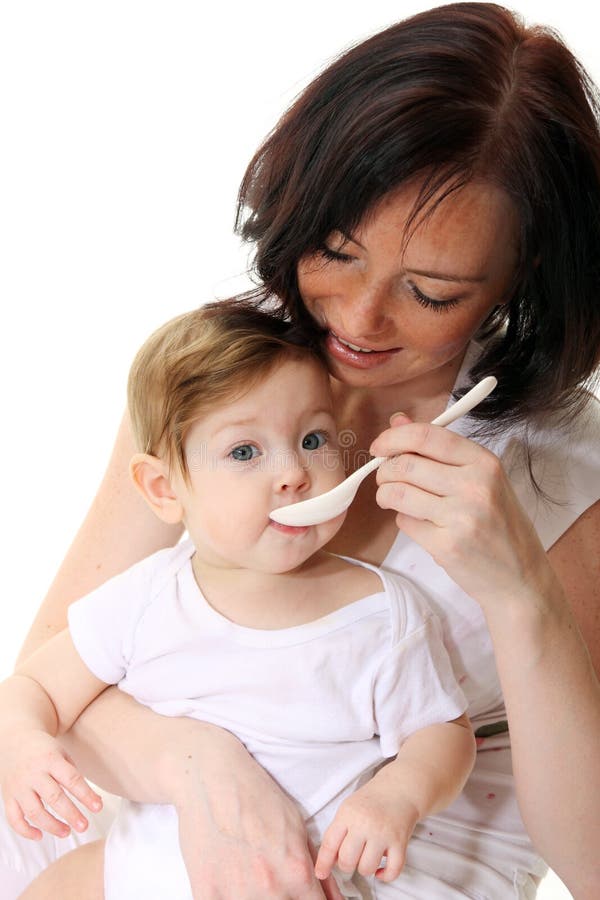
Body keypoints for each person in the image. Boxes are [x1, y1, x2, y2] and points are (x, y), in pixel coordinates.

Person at [1, 2, 599, 898]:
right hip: (164, 815)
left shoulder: (560, 466)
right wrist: (203, 770)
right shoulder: (220, 386)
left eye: (431, 293)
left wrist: (517, 592)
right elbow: (52, 685)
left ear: (522, 280)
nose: (356, 321)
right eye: (334, 250)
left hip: (387, 858)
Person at [0, 300, 475, 900]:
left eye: (312, 438)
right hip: (129, 879)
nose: (294, 474)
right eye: (245, 452)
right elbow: (33, 689)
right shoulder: (148, 598)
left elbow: (444, 734)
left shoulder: (381, 614)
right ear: (164, 489)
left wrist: (397, 796)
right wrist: (21, 744)